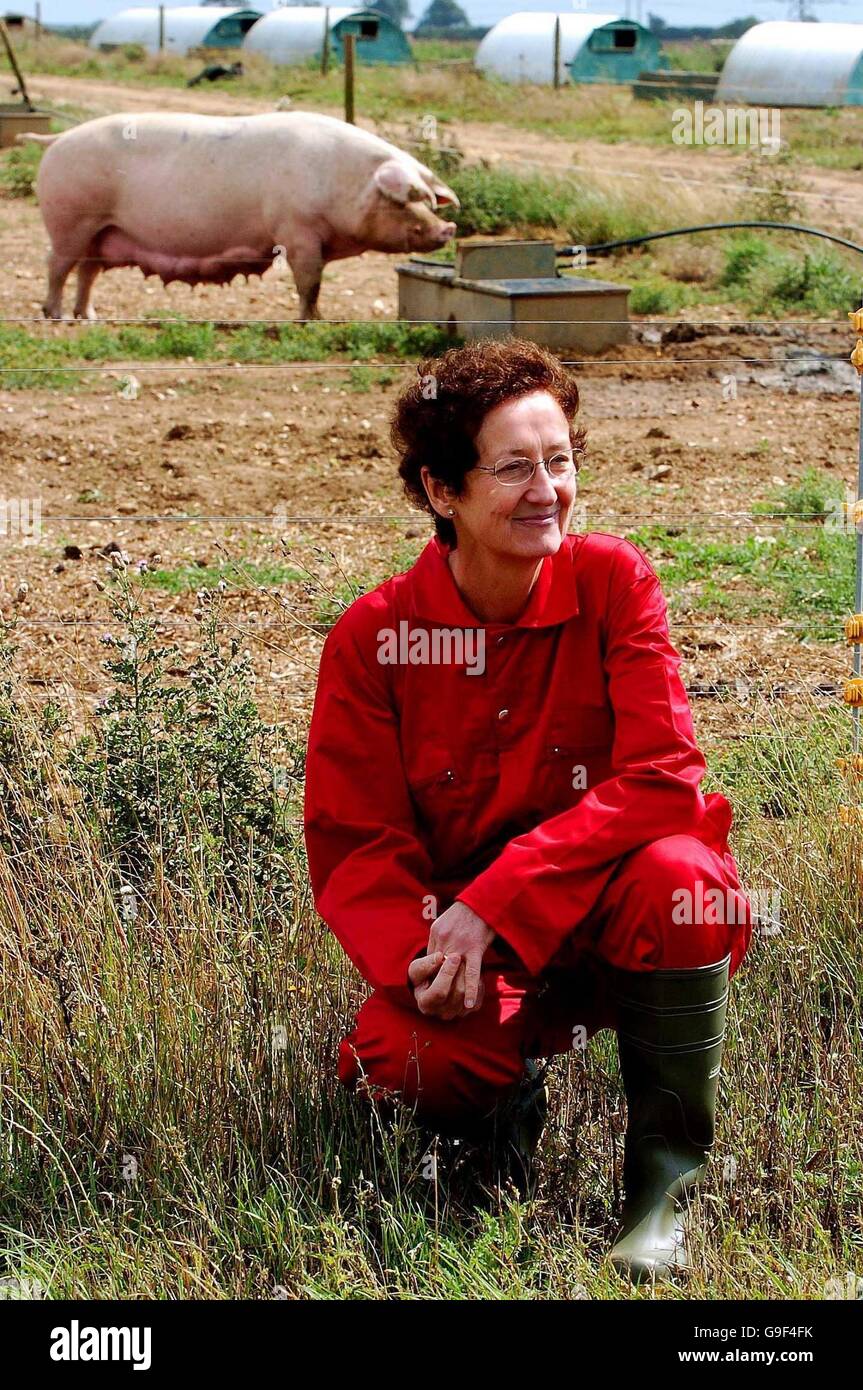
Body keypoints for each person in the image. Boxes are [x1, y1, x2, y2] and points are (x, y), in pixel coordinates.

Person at [303, 337, 752, 1283]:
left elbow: (665, 777)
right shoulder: (374, 639)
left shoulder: (613, 582)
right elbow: (357, 841)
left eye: (560, 460)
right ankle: (495, 1108)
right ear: (440, 492)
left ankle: (660, 1190)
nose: (546, 488)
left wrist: (502, 894)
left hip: (599, 907)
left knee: (682, 881)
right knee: (409, 1060)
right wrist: (421, 957)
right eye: (512, 468)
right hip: (466, 941)